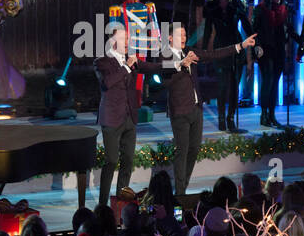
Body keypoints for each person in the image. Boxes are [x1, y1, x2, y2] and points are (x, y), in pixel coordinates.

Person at [137, 21, 255, 196]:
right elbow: (166, 82)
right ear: (170, 38)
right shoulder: (165, 55)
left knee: (194, 150)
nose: (184, 38)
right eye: (180, 35)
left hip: (196, 109)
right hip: (179, 111)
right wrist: (182, 65)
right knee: (182, 151)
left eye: (185, 35)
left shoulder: (190, 52)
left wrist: (240, 46)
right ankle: (180, 193)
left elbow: (213, 54)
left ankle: (182, 186)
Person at [96, 22, 141, 205]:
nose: (126, 41)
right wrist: (126, 67)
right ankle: (102, 204)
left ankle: (120, 200)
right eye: (123, 38)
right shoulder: (102, 61)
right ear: (112, 40)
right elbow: (107, 83)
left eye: (127, 38)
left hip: (129, 118)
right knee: (111, 160)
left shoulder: (129, 59)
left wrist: (176, 64)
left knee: (128, 160)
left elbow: (149, 68)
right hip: (111, 118)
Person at [202, 0, 253, 133]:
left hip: (236, 46)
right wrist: (204, 51)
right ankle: (221, 119)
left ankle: (231, 118)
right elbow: (208, 30)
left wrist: (254, 39)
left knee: (234, 86)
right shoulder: (211, 6)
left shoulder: (237, 4)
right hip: (221, 48)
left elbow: (245, 24)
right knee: (223, 85)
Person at [250, 0, 301, 128]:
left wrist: (300, 40)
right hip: (265, 50)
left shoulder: (284, 10)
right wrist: (257, 46)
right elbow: (255, 31)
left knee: (275, 82)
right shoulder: (260, 9)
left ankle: (272, 115)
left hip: (279, 49)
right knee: (268, 80)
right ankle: (264, 113)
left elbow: (290, 30)